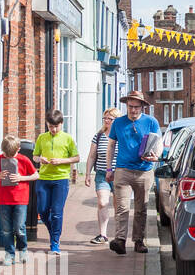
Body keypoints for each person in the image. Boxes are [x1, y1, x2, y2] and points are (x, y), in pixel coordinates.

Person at [105, 91, 160, 255]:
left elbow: (158, 142)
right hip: (123, 170)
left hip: (144, 171)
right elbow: (111, 146)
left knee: (141, 208)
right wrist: (109, 168)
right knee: (121, 207)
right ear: (126, 105)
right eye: (130, 106)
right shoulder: (118, 123)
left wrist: (156, 156)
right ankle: (120, 240)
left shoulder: (151, 122)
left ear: (142, 107)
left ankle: (138, 241)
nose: (133, 110)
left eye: (136, 107)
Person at [32, 109, 80, 255]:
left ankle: (54, 242)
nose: (53, 130)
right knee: (42, 210)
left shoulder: (67, 138)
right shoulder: (41, 138)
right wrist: (40, 159)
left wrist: (62, 161)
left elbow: (76, 158)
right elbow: (34, 156)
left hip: (61, 179)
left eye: (56, 127)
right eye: (50, 126)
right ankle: (54, 232)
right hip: (44, 178)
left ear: (61, 124)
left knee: (57, 212)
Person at [0, 135, 38, 265]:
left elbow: (35, 175)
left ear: (18, 149)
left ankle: (23, 250)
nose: (9, 157)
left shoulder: (24, 159)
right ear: (2, 150)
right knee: (6, 229)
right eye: (6, 154)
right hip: (3, 200)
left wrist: (21, 178)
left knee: (19, 227)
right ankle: (9, 254)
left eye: (12, 155)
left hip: (20, 199)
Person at [84, 108, 119, 244]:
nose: (107, 121)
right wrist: (87, 174)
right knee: (102, 202)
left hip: (118, 174)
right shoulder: (98, 136)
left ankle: (118, 235)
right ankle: (102, 235)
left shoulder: (120, 136)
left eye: (110, 119)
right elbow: (92, 155)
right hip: (101, 174)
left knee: (118, 206)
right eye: (105, 118)